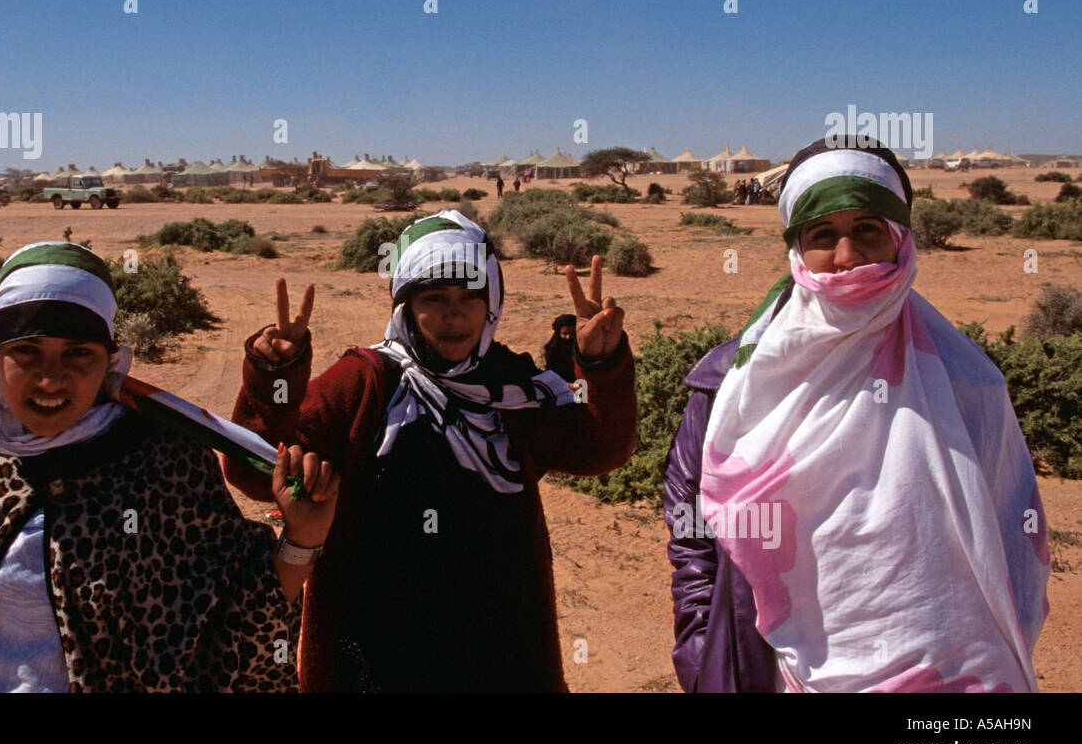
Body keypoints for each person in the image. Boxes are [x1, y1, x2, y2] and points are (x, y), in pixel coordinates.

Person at [0, 242, 339, 692]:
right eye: (26, 352)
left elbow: (236, 612)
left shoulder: (163, 463)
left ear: (110, 362)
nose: (51, 380)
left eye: (79, 354)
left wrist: (303, 539)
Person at [664, 138, 1049, 693]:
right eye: (823, 235)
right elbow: (691, 527)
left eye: (868, 229)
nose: (847, 257)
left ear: (901, 239)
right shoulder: (735, 384)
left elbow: (1016, 547)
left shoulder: (969, 383)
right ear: (796, 247)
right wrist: (705, 647)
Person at [224, 211, 637, 691]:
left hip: (501, 644)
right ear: (404, 306)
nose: (455, 315)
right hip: (375, 650)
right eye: (434, 298)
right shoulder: (365, 382)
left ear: (492, 301)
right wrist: (277, 376)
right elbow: (255, 470)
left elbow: (598, 449)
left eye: (470, 297)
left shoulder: (512, 386)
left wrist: (599, 364)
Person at [542, 313, 578, 382]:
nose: (568, 337)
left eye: (572, 333)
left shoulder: (581, 347)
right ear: (558, 333)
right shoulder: (550, 349)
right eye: (564, 334)